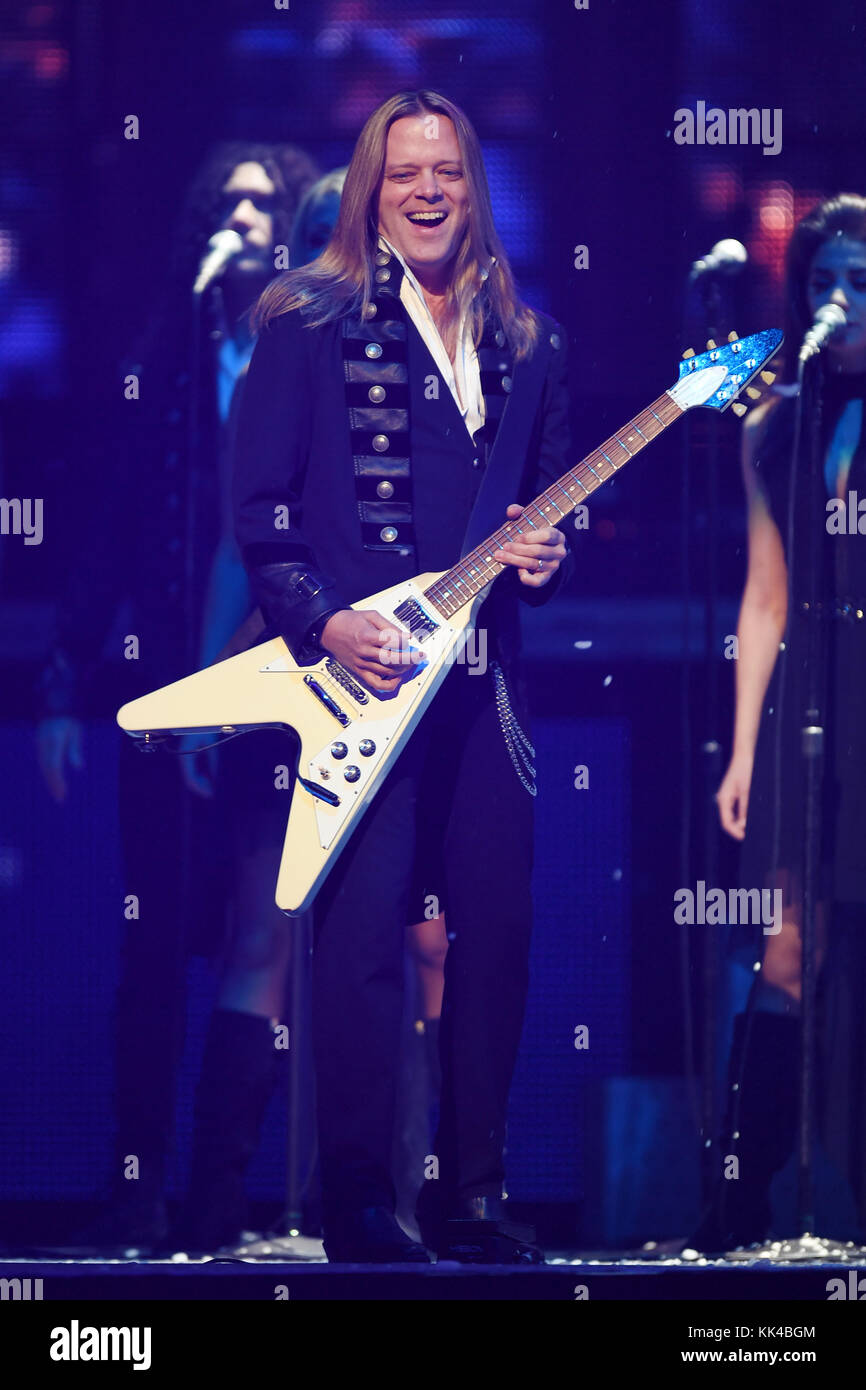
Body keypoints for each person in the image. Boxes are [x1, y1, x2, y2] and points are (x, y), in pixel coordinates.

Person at [232, 89, 574, 1262]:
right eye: (403, 173)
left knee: (496, 929)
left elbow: (542, 520)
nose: (427, 192)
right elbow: (263, 516)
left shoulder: (528, 344)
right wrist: (324, 627)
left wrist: (545, 555)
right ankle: (358, 1199)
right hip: (364, 682)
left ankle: (472, 1195)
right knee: (365, 936)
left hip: (483, 689)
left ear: (474, 188)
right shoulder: (308, 319)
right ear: (371, 190)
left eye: (447, 173)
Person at [36, 141, 320, 1254]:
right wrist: (66, 678)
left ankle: (222, 1201)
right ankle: (138, 1189)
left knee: (263, 928)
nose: (245, 218)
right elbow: (105, 524)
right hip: (162, 689)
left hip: (283, 684)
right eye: (228, 200)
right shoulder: (163, 363)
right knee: (150, 940)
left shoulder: (303, 354)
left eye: (266, 203)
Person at [700, 193, 866, 1250]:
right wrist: (745, 748)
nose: (837, 299)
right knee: (785, 949)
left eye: (856, 280)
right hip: (809, 691)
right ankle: (740, 1201)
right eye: (820, 279)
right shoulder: (773, 422)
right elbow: (762, 592)